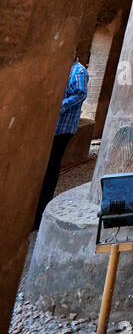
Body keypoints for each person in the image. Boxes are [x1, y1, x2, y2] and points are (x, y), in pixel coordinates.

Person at [32, 55, 89, 230]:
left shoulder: (79, 71)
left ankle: (41, 211)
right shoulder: (62, 68)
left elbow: (80, 94)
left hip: (63, 127)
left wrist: (59, 106)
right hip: (54, 127)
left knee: (51, 167)